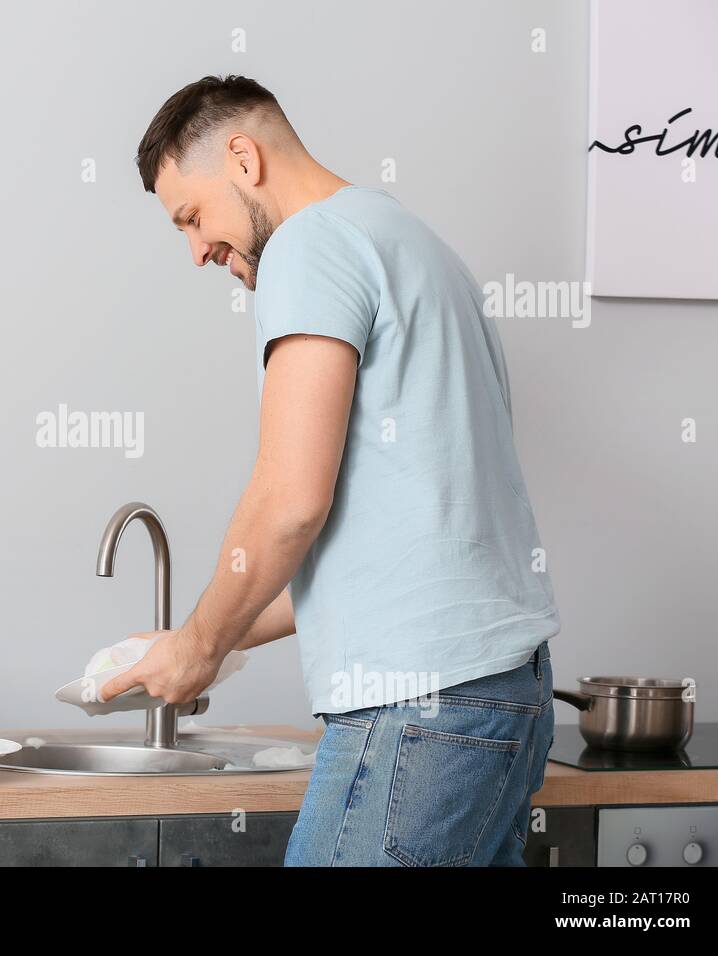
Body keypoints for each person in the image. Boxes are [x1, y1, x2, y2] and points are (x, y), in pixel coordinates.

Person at [100, 75, 559, 866]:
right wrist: (204, 634)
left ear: (243, 158)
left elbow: (289, 502)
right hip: (499, 694)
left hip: (421, 713)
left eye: (192, 216)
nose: (197, 250)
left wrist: (204, 646)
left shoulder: (310, 245)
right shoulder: (410, 241)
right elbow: (386, 534)